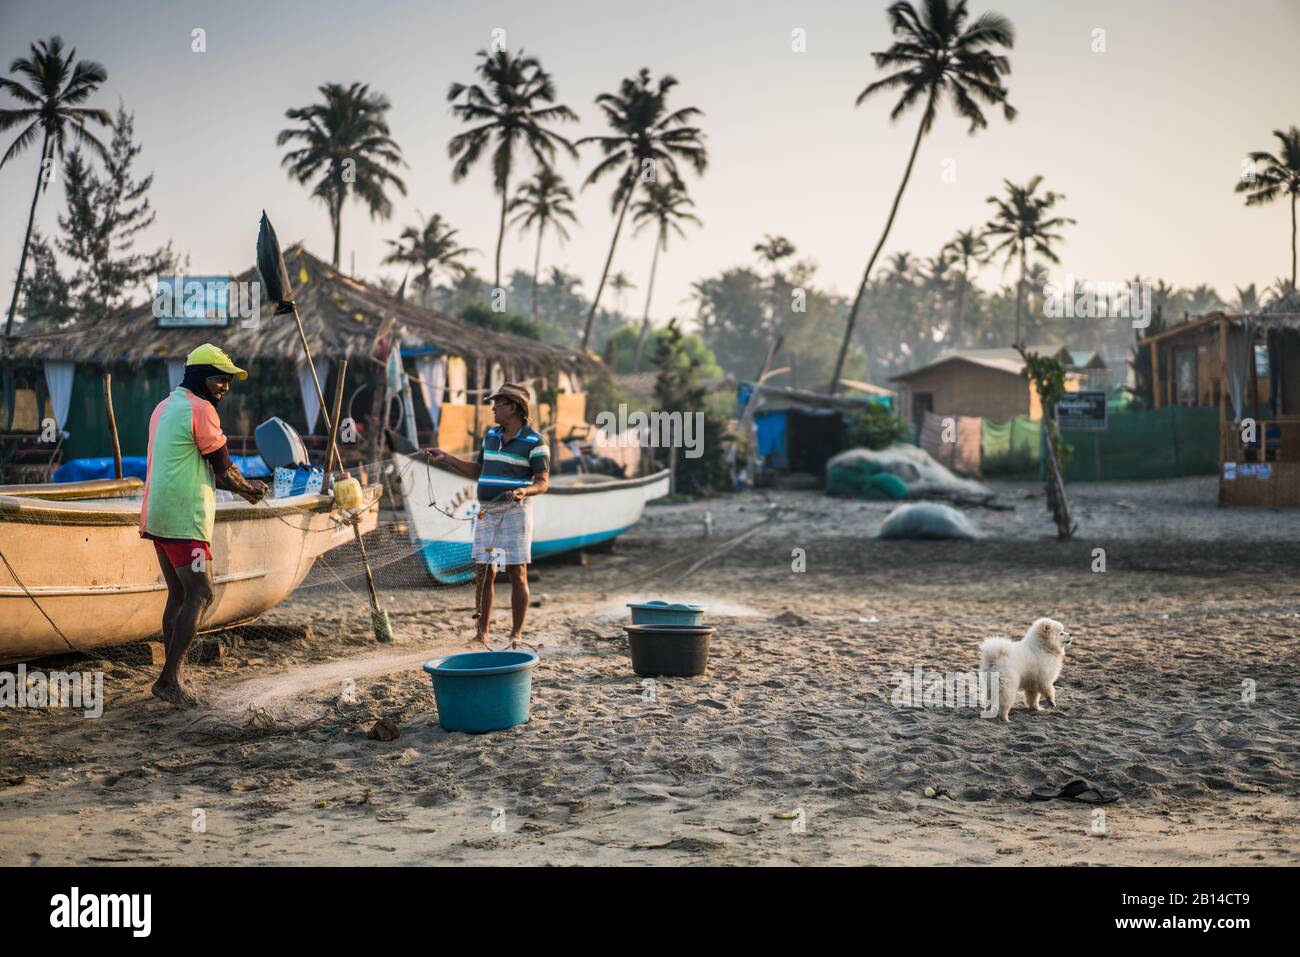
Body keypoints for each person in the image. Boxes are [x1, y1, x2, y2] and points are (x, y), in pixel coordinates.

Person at [139, 344, 269, 706]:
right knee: (201, 593)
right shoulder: (202, 410)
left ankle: (170, 675)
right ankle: (169, 679)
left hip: (156, 516)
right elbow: (224, 470)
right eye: (219, 380)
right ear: (199, 378)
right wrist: (250, 489)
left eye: (228, 382)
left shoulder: (163, 407)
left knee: (178, 595)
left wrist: (242, 485)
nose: (224, 387)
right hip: (184, 521)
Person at [424, 382, 550, 647]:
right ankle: (482, 632)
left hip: (516, 512)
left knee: (517, 572)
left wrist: (524, 492)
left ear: (514, 407)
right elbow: (477, 470)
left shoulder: (535, 442)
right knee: (484, 571)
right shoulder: (491, 435)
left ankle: (516, 633)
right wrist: (446, 457)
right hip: (487, 512)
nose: (493, 408)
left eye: (499, 403)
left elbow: (542, 482)